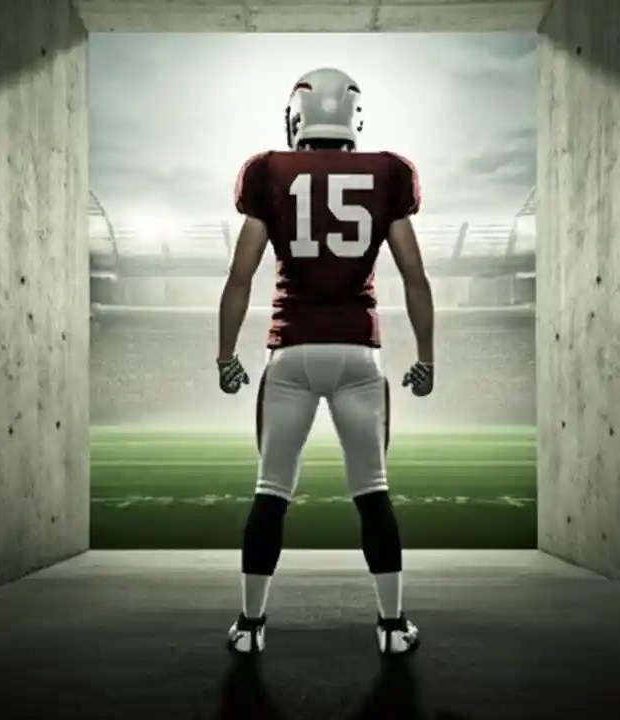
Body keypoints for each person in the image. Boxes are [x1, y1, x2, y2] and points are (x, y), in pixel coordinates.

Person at [214, 67, 435, 656]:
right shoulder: (389, 172)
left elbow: (241, 276)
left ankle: (250, 627)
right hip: (359, 353)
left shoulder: (267, 170)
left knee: (270, 491)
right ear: (353, 117)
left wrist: (225, 354)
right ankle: (391, 628)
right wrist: (428, 357)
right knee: (373, 492)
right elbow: (415, 276)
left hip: (290, 352)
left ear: (297, 117)